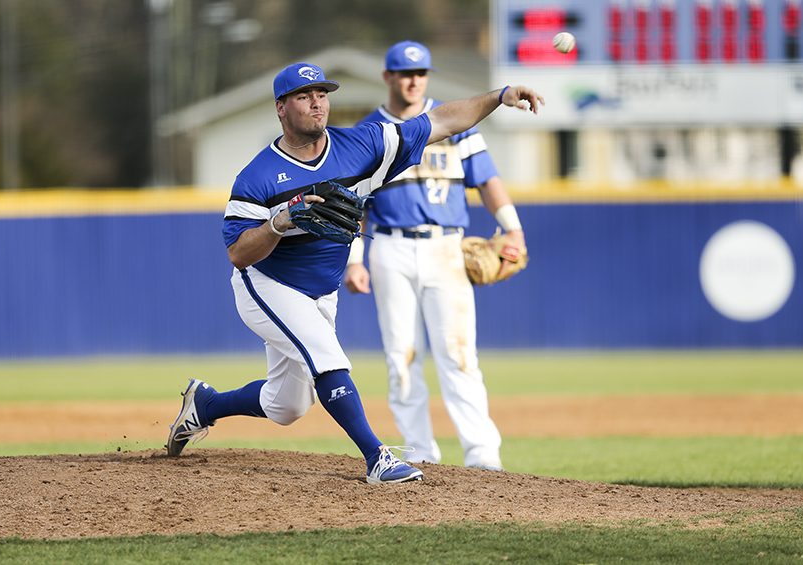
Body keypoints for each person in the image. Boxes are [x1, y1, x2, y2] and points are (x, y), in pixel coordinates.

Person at [167, 60, 543, 484]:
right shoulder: (257, 177)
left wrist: (499, 95)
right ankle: (377, 458)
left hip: (322, 290)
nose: (317, 104)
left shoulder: (363, 145)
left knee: (287, 406)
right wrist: (279, 222)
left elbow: (439, 121)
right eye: (304, 96)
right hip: (268, 284)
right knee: (328, 357)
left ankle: (205, 405)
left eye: (322, 95)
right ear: (281, 108)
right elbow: (238, 253)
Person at [343, 41, 526, 471]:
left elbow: (487, 180)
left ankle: (483, 454)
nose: (413, 80)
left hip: (447, 246)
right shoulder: (372, 131)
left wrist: (513, 226)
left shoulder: (457, 121)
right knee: (401, 356)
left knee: (458, 352)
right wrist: (355, 259)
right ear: (387, 77)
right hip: (389, 246)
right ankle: (420, 449)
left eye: (421, 73)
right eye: (405, 74)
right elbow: (357, 206)